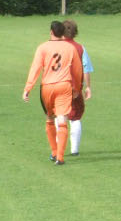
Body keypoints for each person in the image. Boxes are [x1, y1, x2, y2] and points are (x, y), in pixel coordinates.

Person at [22, 20, 83, 166]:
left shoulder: (42, 47)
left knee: (50, 118)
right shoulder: (70, 48)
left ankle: (54, 152)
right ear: (63, 33)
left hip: (47, 87)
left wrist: (28, 88)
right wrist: (77, 88)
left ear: (51, 32)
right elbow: (77, 70)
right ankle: (60, 157)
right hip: (64, 85)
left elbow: (35, 68)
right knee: (62, 119)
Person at [62, 19, 94, 156]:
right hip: (74, 88)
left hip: (57, 85)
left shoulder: (55, 46)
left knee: (59, 116)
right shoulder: (80, 48)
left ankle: (57, 150)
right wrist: (88, 87)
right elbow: (86, 69)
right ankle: (74, 149)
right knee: (75, 117)